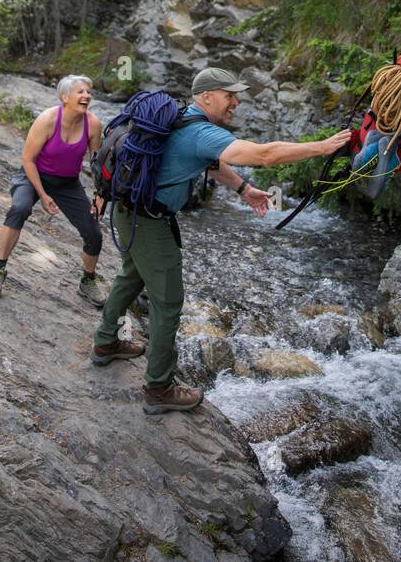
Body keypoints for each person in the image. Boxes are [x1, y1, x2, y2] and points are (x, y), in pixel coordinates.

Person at [91, 66, 354, 415]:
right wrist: (321, 148)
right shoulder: (200, 131)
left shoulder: (181, 117)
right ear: (207, 96)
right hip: (150, 222)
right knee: (168, 302)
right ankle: (158, 388)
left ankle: (106, 343)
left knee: (130, 276)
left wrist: (243, 189)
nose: (236, 102)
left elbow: (210, 163)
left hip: (131, 212)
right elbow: (264, 155)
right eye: (230, 96)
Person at [0, 75, 107, 307]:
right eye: (81, 92)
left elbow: (97, 164)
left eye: (88, 92)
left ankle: (87, 281)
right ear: (65, 97)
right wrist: (42, 194)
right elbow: (28, 159)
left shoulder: (93, 124)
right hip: (33, 176)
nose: (87, 96)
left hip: (68, 183)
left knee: (94, 233)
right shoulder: (47, 119)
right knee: (19, 208)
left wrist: (101, 196)